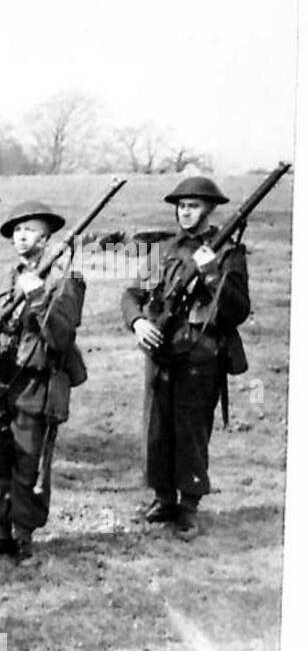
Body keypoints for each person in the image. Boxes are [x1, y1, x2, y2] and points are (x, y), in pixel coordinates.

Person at [121, 176, 250, 539]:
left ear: (209, 210)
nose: (185, 212)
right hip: (161, 347)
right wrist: (138, 323)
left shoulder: (228, 252)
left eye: (192, 206)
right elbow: (131, 294)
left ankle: (189, 505)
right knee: (157, 427)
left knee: (192, 429)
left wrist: (211, 273)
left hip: (202, 351)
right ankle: (163, 497)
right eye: (181, 206)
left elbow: (238, 309)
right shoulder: (163, 250)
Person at [0, 201, 86, 564]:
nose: (21, 236)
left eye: (29, 229)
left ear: (47, 236)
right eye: (16, 230)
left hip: (36, 378)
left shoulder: (67, 279)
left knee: (28, 458)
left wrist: (38, 297)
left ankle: (24, 535)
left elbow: (62, 335)